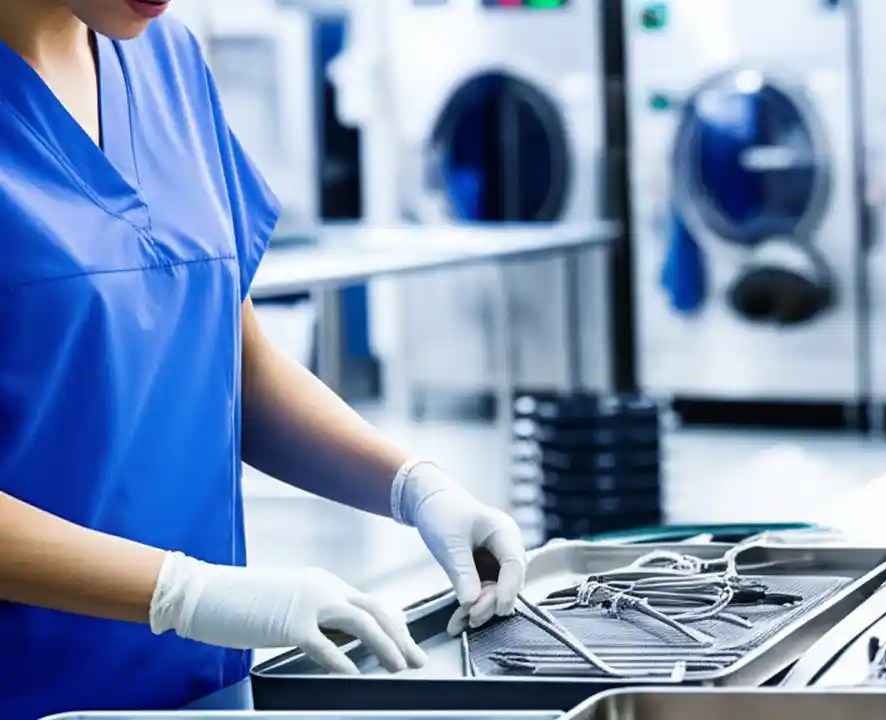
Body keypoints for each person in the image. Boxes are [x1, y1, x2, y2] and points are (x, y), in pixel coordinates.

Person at [0, 1, 527, 716]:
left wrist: (415, 489)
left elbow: (236, 369)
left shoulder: (170, 62)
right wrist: (187, 593)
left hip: (203, 684)